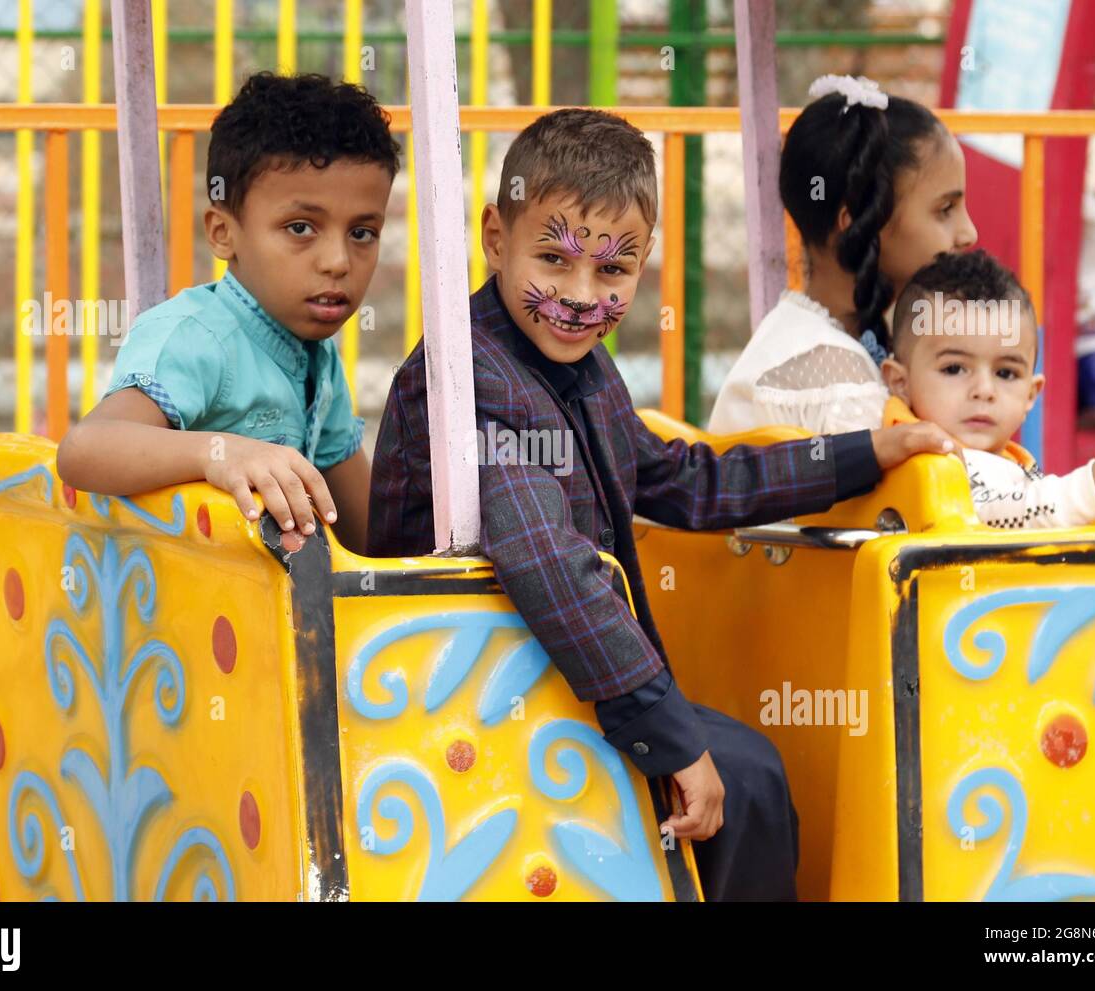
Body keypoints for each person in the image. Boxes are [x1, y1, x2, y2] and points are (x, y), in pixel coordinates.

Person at [367, 108, 959, 900]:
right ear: (495, 238)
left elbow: (691, 481)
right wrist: (669, 734)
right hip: (466, 699)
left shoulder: (583, 368)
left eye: (612, 272)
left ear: (642, 262)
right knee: (741, 775)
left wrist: (859, 454)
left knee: (751, 769)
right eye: (554, 259)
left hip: (547, 680)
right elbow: (551, 562)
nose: (580, 297)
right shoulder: (473, 380)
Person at [57, 72, 399, 554]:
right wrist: (219, 453)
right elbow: (85, 449)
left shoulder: (318, 360)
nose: (338, 261)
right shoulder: (197, 336)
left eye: (362, 233)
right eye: (301, 227)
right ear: (223, 232)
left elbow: (370, 536)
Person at [708, 74, 978, 436]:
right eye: (944, 209)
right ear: (854, 223)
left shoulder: (811, 340)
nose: (969, 233)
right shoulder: (837, 385)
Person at [882, 250, 1095, 528]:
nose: (984, 390)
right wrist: (1090, 490)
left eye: (1005, 373)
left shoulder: (1006, 463)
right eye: (954, 368)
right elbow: (989, 515)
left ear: (1031, 394)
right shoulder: (921, 461)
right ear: (899, 383)